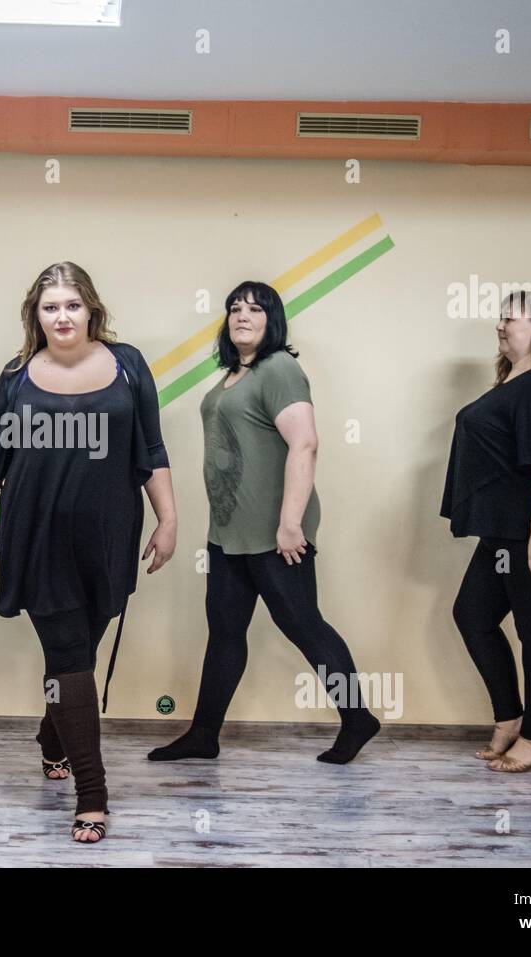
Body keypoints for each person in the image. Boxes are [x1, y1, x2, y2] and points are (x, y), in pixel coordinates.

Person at [0, 262, 177, 843]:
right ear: (36, 315)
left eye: (72, 305)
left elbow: (150, 446)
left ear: (91, 309)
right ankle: (92, 796)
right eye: (51, 307)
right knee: (70, 656)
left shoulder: (129, 366)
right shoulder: (17, 373)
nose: (62, 316)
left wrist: (169, 517)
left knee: (77, 656)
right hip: (37, 537)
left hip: (108, 537)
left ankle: (52, 740)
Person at [149, 281, 380, 766]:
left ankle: (358, 718)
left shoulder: (280, 369)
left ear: (272, 320)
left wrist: (291, 523)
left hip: (275, 532)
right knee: (225, 631)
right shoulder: (233, 374)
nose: (242, 315)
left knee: (304, 626)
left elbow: (306, 444)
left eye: (254, 308)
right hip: (228, 534)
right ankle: (204, 734)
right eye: (234, 308)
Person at [442, 291, 531, 773]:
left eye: (511, 318)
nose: (500, 325)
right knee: (472, 615)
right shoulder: (512, 384)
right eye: (499, 318)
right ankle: (511, 716)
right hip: (504, 534)